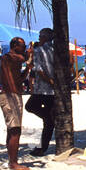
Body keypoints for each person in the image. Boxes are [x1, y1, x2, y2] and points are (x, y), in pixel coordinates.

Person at [0, 36, 29, 170]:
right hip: (10, 96)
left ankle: (12, 160)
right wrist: (29, 56)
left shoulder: (13, 64)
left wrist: (28, 68)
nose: (24, 49)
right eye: (23, 46)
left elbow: (20, 79)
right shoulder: (8, 58)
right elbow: (18, 58)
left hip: (15, 94)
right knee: (15, 130)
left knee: (13, 129)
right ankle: (13, 162)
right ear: (15, 46)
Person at [27, 28, 57, 156]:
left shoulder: (39, 50)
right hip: (52, 90)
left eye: (40, 36)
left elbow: (39, 70)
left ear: (45, 37)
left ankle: (42, 148)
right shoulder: (56, 50)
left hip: (42, 89)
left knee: (29, 106)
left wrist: (49, 81)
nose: (39, 38)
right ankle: (43, 148)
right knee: (48, 121)